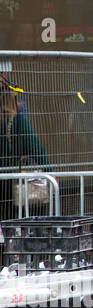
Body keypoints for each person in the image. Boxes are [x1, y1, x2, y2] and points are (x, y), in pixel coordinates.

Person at [0, 84, 50, 221]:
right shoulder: (17, 121)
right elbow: (35, 147)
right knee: (19, 220)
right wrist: (49, 171)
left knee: (4, 219)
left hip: (3, 179)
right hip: (12, 179)